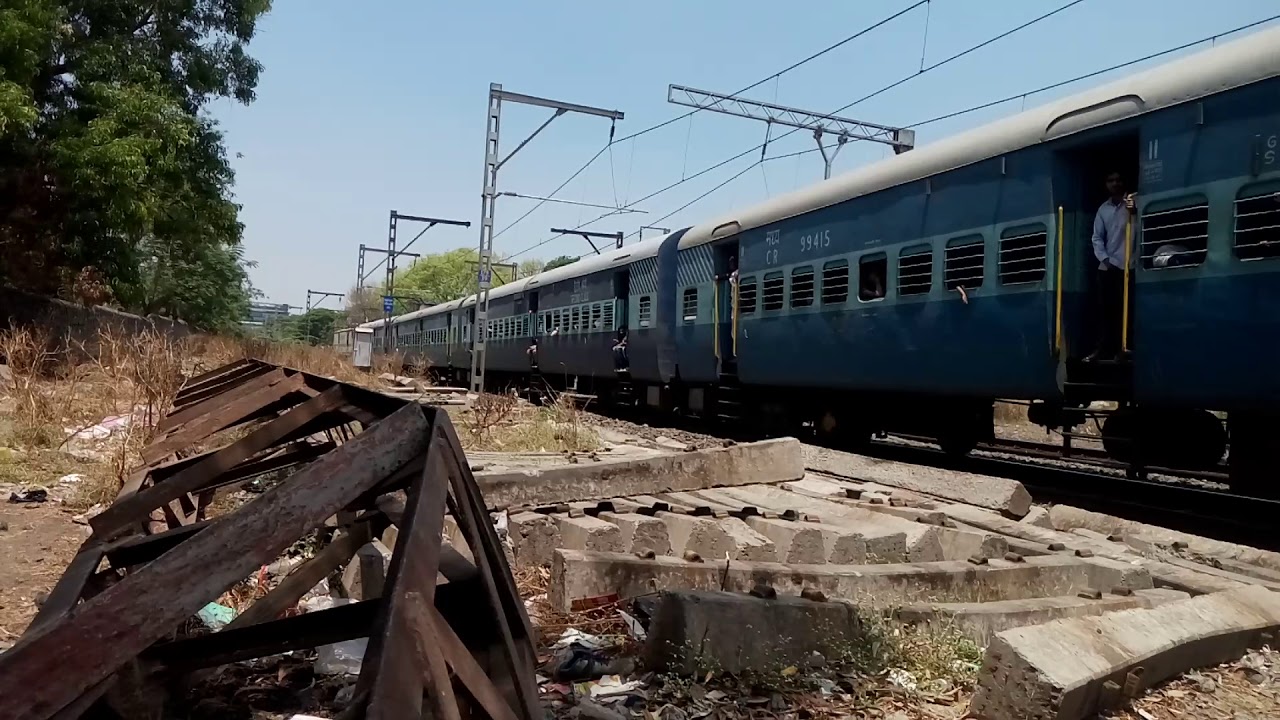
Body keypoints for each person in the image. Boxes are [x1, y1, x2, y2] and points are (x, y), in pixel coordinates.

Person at [1086, 171, 1137, 362]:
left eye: (1118, 179)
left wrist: (1135, 211)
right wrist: (1106, 260)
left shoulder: (1136, 201)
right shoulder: (1103, 209)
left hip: (1130, 266)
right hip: (1108, 268)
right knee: (1107, 312)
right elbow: (1097, 237)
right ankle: (1104, 349)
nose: (1115, 183)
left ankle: (1126, 349)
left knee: (1128, 310)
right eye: (1110, 180)